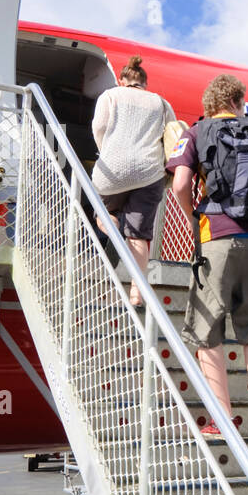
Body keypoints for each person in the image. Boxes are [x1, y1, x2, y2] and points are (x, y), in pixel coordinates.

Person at [166, 74, 248, 449]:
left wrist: (194, 215)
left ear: (208, 104)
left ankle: (222, 418)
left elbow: (180, 185)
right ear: (238, 101)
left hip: (217, 238)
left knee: (207, 331)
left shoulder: (196, 132)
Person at [91, 55, 176, 306]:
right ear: (144, 83)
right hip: (149, 173)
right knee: (139, 234)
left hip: (112, 171)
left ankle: (115, 234)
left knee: (105, 214)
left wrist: (107, 151)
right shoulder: (161, 103)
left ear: (122, 80)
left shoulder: (110, 95)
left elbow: (99, 128)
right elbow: (172, 135)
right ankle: (138, 290)